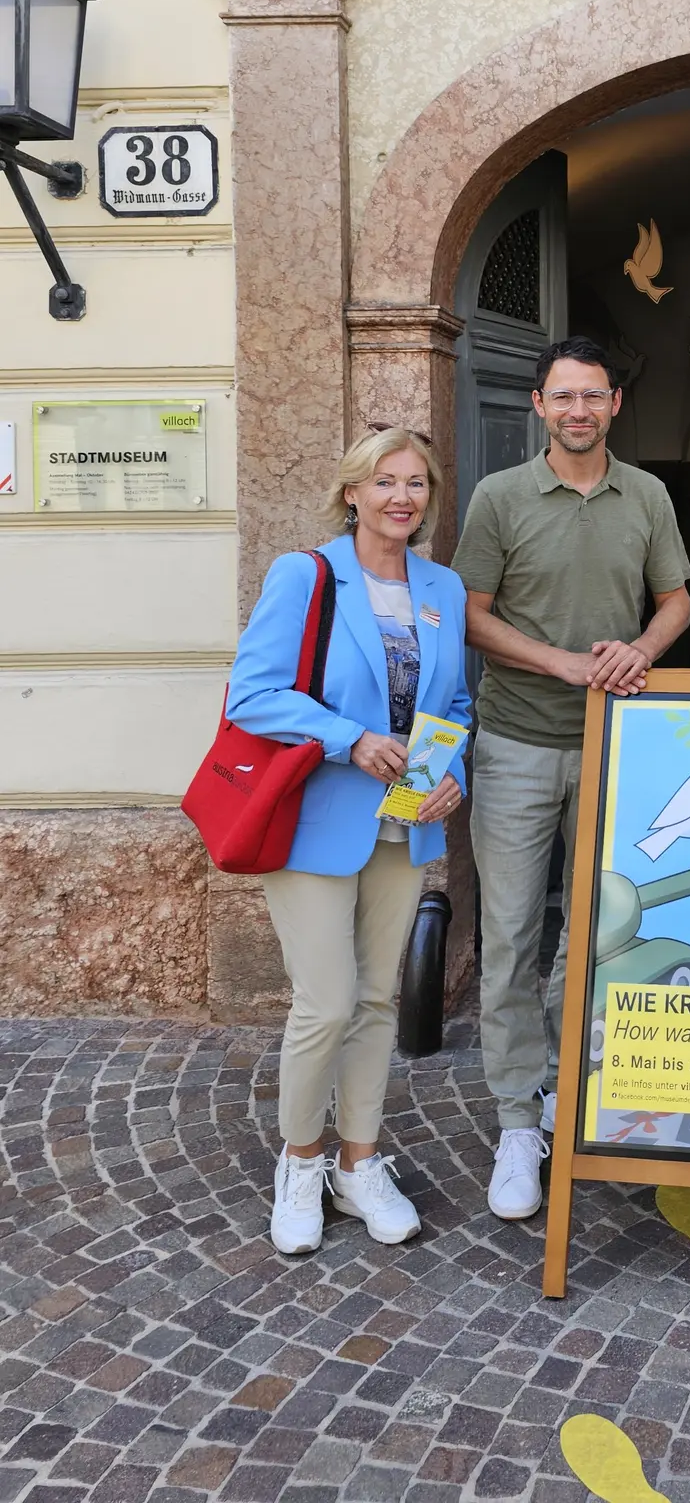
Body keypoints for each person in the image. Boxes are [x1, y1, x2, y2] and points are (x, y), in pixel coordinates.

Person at [452, 335, 690, 1223]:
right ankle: (518, 1119)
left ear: (614, 405)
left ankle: (568, 1087)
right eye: (565, 397)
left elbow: (677, 599)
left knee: (598, 926)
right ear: (539, 405)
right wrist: (556, 663)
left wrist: (643, 649)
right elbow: (471, 617)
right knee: (512, 933)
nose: (580, 411)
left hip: (616, 747)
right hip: (515, 743)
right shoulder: (500, 497)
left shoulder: (649, 496)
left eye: (594, 396)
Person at [226, 427, 471, 1257]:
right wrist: (348, 738)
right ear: (352, 493)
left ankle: (360, 1163)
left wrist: (454, 775)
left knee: (376, 1003)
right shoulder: (309, 574)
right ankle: (299, 1163)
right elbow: (252, 695)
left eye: (417, 484)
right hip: (315, 818)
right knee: (324, 1003)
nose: (402, 497)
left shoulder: (443, 586)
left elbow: (457, 709)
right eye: (385, 482)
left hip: (405, 823)